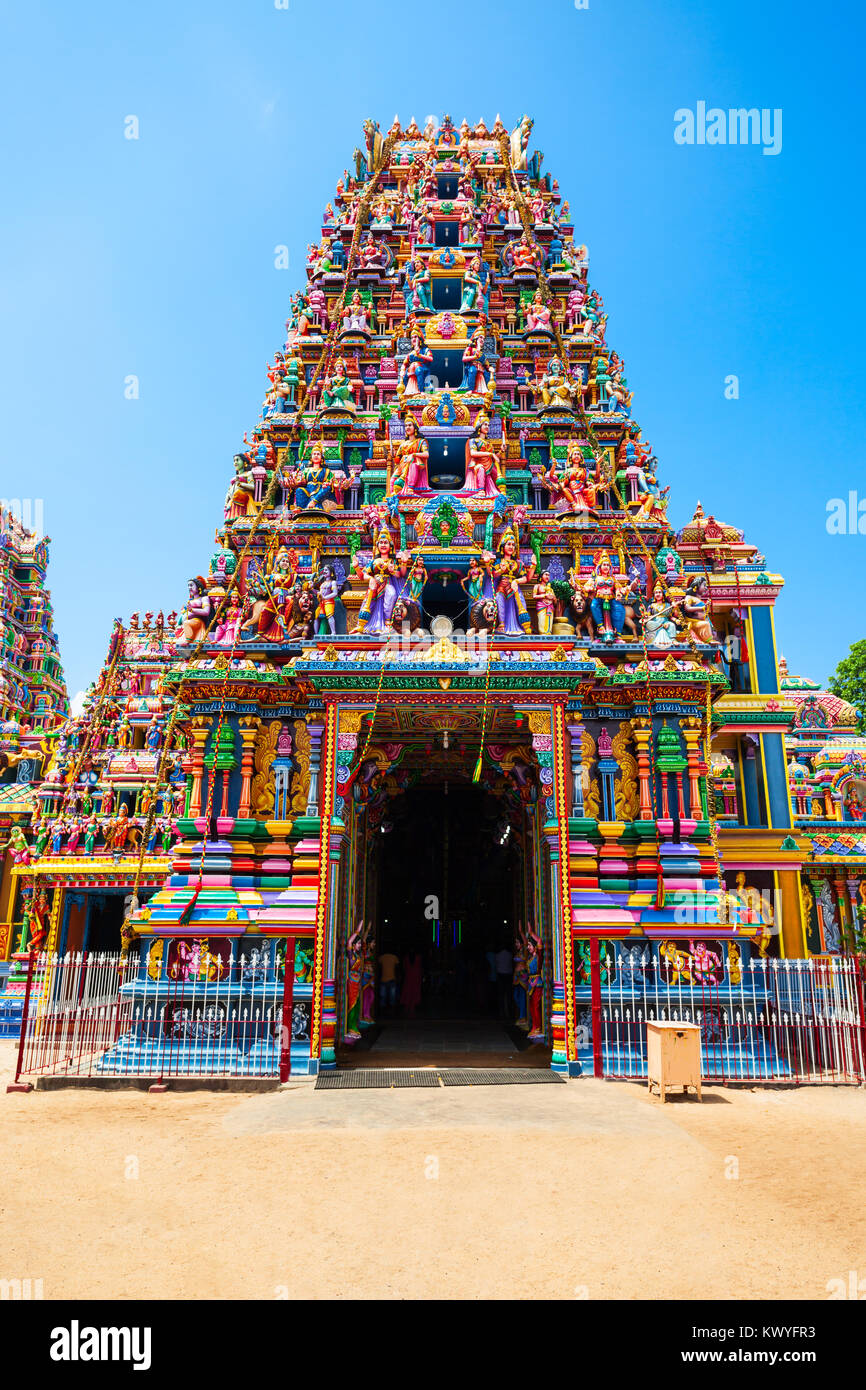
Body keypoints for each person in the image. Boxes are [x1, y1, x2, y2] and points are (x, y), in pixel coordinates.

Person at [401, 949, 423, 1019]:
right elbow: (421, 966)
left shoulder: (407, 957)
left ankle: (407, 1005)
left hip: (409, 976)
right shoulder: (418, 957)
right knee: (414, 990)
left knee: (408, 990)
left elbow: (404, 967)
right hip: (416, 976)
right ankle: (412, 1006)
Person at [378, 946, 400, 1013]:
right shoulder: (394, 957)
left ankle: (382, 1012)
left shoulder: (382, 957)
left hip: (383, 979)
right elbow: (397, 968)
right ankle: (391, 1011)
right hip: (392, 979)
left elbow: (378, 967)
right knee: (392, 997)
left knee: (383, 997)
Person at [495, 943, 514, 1021]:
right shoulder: (510, 955)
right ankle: (509, 1013)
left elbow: (497, 965)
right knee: (508, 994)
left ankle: (502, 1012)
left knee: (501, 995)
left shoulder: (498, 955)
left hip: (501, 975)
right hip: (508, 975)